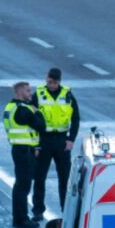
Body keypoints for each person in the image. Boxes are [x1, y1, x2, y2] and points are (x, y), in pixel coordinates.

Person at [34, 67, 81, 216]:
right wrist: (36, 143)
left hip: (61, 140)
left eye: (54, 83)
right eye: (49, 82)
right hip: (44, 140)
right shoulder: (39, 94)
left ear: (59, 81)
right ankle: (38, 210)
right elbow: (32, 119)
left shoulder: (67, 95)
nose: (51, 85)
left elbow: (76, 118)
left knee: (64, 178)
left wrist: (71, 139)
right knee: (40, 177)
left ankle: (65, 209)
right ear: (46, 78)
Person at [3, 82, 45, 228]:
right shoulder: (23, 110)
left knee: (20, 185)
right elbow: (41, 125)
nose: (30, 93)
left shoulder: (10, 107)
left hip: (19, 149)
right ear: (19, 93)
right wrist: (37, 111)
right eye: (28, 91)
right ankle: (21, 219)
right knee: (23, 186)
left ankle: (19, 217)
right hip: (25, 151)